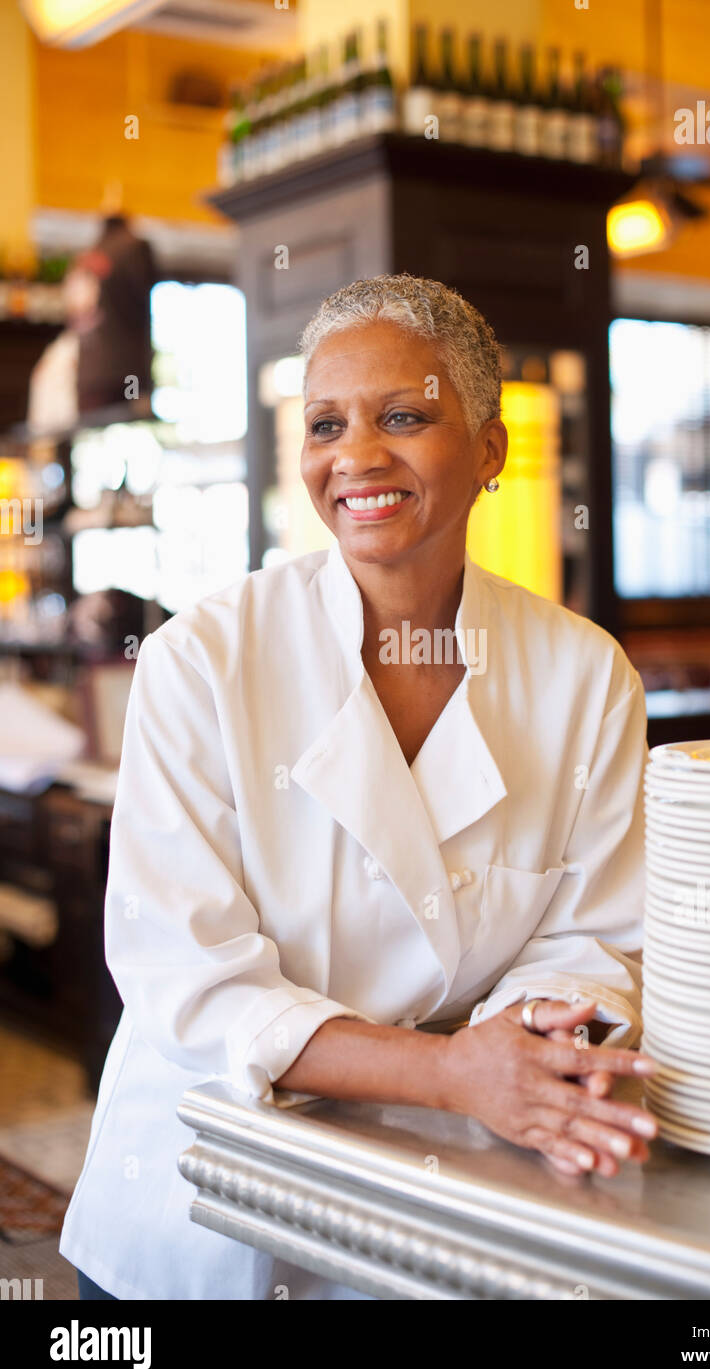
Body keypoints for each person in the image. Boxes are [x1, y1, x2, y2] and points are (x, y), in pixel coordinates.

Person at [60, 273, 656, 1301]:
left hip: (439, 1187)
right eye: (326, 421)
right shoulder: (201, 660)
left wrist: (536, 1049)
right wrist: (448, 1070)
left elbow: (591, 937)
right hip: (202, 1195)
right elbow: (187, 977)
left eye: (404, 417)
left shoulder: (583, 674)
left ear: (488, 450)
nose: (356, 456)